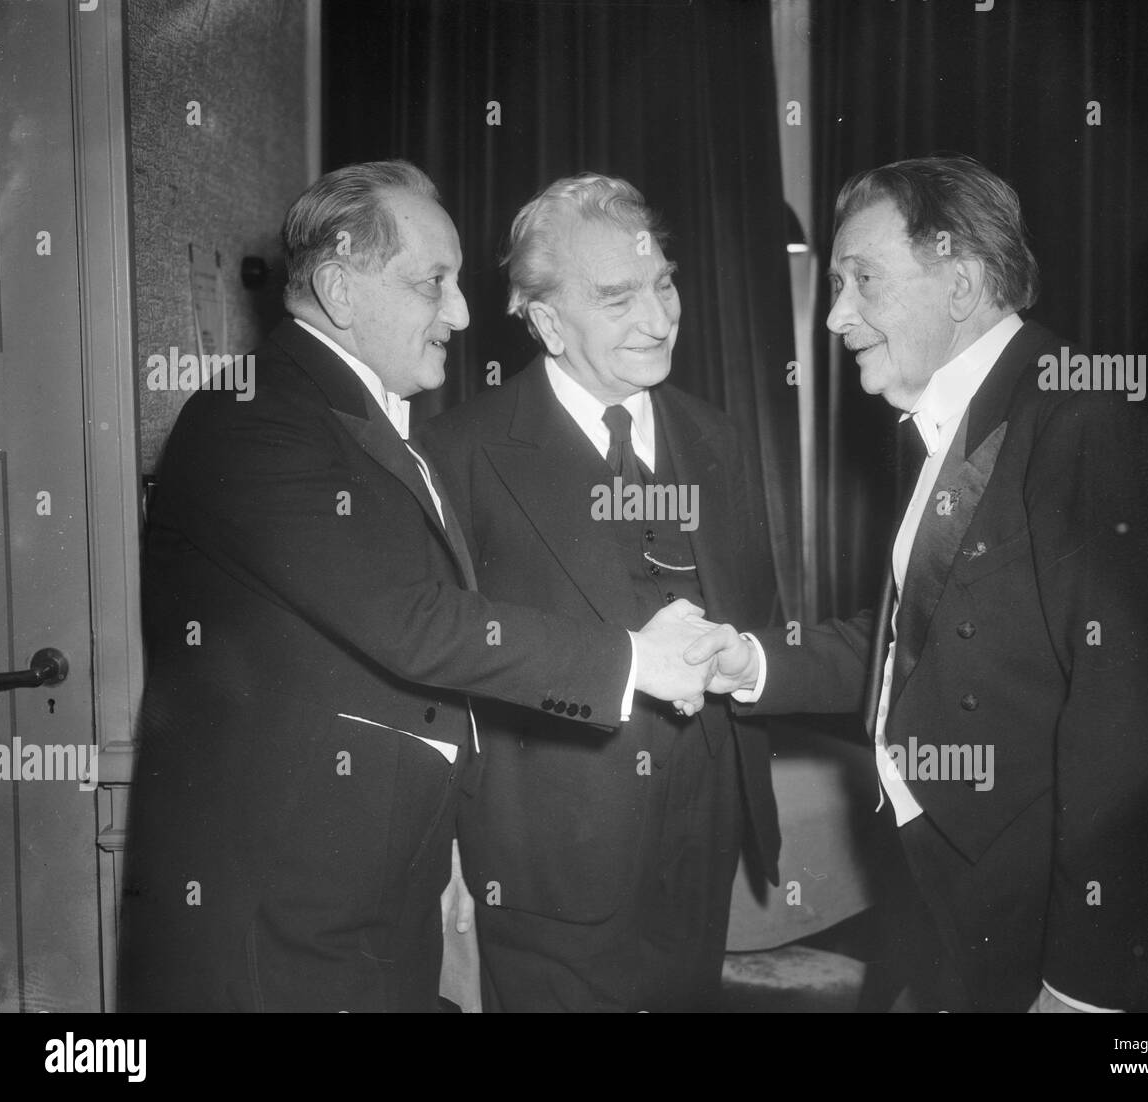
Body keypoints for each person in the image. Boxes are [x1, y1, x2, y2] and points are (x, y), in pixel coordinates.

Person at [119, 160, 718, 1012]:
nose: (464, 313)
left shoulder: (354, 420)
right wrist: (634, 660)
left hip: (361, 890)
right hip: (279, 911)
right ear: (338, 288)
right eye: (432, 282)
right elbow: (416, 622)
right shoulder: (253, 418)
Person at [690, 154, 1148, 1012]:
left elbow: (1146, 732)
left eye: (862, 281)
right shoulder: (953, 425)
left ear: (960, 283)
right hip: (958, 895)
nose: (837, 316)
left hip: (1070, 937)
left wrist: (1081, 988)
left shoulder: (1088, 419)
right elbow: (920, 649)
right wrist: (753, 662)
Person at [426, 174, 781, 1012]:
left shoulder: (717, 437)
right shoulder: (460, 452)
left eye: (663, 284)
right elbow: (442, 653)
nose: (659, 319)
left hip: (703, 838)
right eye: (619, 298)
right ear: (547, 321)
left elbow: (756, 614)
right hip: (551, 858)